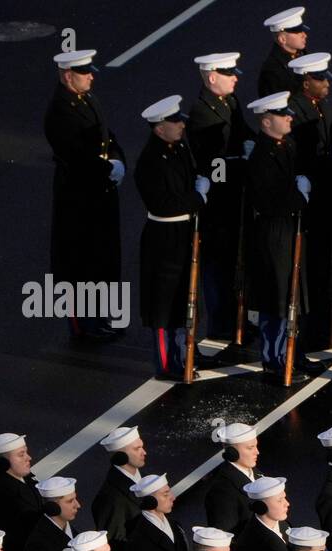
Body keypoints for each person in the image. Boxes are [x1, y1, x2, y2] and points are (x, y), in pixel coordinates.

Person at [44, 49, 125, 341]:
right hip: (78, 197)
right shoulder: (60, 112)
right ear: (68, 76)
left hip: (99, 192)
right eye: (84, 72)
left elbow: (107, 135)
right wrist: (107, 170)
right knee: (80, 261)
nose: (91, 76)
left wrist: (117, 159)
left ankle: (102, 319)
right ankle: (83, 327)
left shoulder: (87, 98)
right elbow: (76, 156)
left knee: (102, 257)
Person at [134, 96, 206, 381]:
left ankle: (182, 354)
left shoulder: (177, 149)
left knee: (182, 298)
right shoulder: (151, 161)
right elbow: (162, 204)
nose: (180, 126)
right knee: (163, 304)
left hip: (184, 231)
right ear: (158, 129)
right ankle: (165, 363)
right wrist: (197, 198)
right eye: (174, 122)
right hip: (164, 236)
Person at [244, 90, 311, 383]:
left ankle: (292, 353)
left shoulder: (286, 146)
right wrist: (301, 196)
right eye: (282, 115)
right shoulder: (262, 156)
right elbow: (269, 202)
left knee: (290, 293)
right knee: (277, 297)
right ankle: (274, 360)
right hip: (274, 232)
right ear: (265, 122)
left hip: (288, 229)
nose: (289, 118)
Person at [189, 53, 256, 344]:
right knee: (217, 264)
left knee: (234, 261)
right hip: (216, 202)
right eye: (229, 74)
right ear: (212, 77)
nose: (236, 77)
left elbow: (241, 132)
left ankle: (236, 319)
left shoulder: (229, 102)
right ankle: (220, 323)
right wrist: (242, 161)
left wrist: (254, 143)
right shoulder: (202, 114)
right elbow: (213, 164)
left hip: (235, 198)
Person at [287, 52, 332, 355]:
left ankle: (328, 323)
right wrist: (331, 166)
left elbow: (331, 141)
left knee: (329, 264)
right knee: (313, 267)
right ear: (305, 82)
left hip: (329, 197)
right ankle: (311, 330)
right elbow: (303, 157)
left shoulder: (322, 106)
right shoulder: (295, 111)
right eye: (319, 79)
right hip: (313, 200)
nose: (326, 84)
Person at [91, 426, 146, 551]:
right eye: (137, 449)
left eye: (142, 446)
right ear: (121, 456)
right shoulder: (110, 497)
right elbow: (116, 544)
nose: (144, 452)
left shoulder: (140, 479)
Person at [204, 422, 260, 535]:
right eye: (250, 448)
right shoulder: (221, 491)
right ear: (231, 452)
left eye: (256, 446)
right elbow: (227, 536)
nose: (257, 452)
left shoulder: (257, 474)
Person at [258, 7, 310, 98]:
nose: (304, 35)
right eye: (297, 32)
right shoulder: (272, 71)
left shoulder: (303, 55)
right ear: (282, 39)